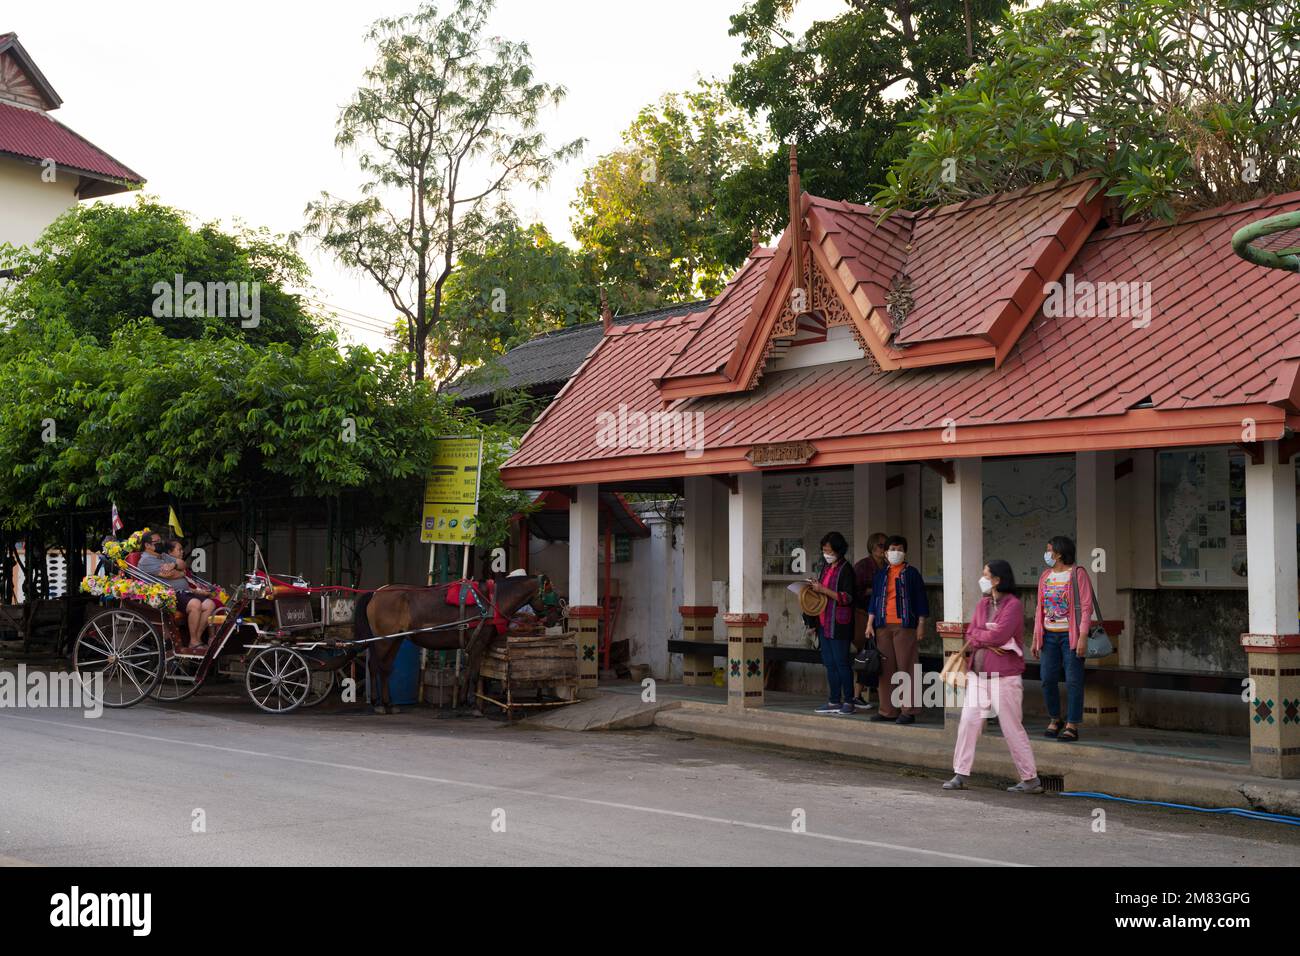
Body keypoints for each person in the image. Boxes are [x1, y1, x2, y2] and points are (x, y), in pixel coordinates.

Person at [943, 560, 1042, 793]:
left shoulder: (1014, 605)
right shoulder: (983, 604)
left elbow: (1000, 636)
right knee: (968, 722)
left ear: (998, 579)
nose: (983, 578)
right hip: (978, 676)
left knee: (1011, 727)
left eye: (986, 574)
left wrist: (984, 635)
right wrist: (986, 634)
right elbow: (971, 633)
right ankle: (960, 773)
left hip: (1005, 677)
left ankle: (1030, 778)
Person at [1033, 535, 1095, 742]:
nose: (1047, 553)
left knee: (1073, 681)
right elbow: (1039, 609)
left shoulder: (1078, 574)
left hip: (1071, 637)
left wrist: (1083, 636)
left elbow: (1086, 607)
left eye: (1049, 549)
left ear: (1059, 553)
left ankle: (1072, 724)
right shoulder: (1045, 576)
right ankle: (1055, 718)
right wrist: (1036, 638)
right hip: (1049, 636)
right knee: (1047, 679)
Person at [866, 535, 929, 724]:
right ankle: (887, 710)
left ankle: (908, 711)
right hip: (882, 626)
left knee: (907, 668)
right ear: (885, 553)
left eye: (899, 549)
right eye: (892, 549)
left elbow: (921, 600)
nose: (895, 553)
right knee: (885, 670)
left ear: (905, 552)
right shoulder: (880, 575)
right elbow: (874, 600)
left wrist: (921, 625)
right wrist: (870, 624)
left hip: (905, 626)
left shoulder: (912, 574)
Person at [804, 531, 857, 716]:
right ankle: (834, 700)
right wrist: (815, 587)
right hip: (823, 623)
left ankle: (849, 701)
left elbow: (847, 597)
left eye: (829, 550)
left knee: (842, 663)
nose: (826, 554)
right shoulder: (826, 568)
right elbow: (822, 592)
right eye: (824, 550)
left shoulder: (846, 569)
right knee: (829, 663)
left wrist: (823, 589)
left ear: (838, 550)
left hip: (840, 623)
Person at [137, 533, 216, 651]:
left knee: (210, 604)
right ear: (147, 545)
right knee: (195, 604)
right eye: (156, 542)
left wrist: (174, 564)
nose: (160, 543)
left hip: (184, 592)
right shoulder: (146, 560)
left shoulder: (163, 555)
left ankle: (196, 640)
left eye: (160, 540)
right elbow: (170, 575)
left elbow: (183, 564)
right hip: (170, 594)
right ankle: (194, 641)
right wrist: (181, 573)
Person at [851, 531, 888, 709]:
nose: (884, 549)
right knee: (868, 655)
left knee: (883, 657)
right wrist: (872, 592)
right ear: (872, 547)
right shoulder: (863, 566)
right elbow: (854, 592)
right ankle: (857, 695)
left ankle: (884, 697)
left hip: (885, 618)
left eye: (885, 545)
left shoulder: (889, 566)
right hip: (865, 616)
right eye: (881, 545)